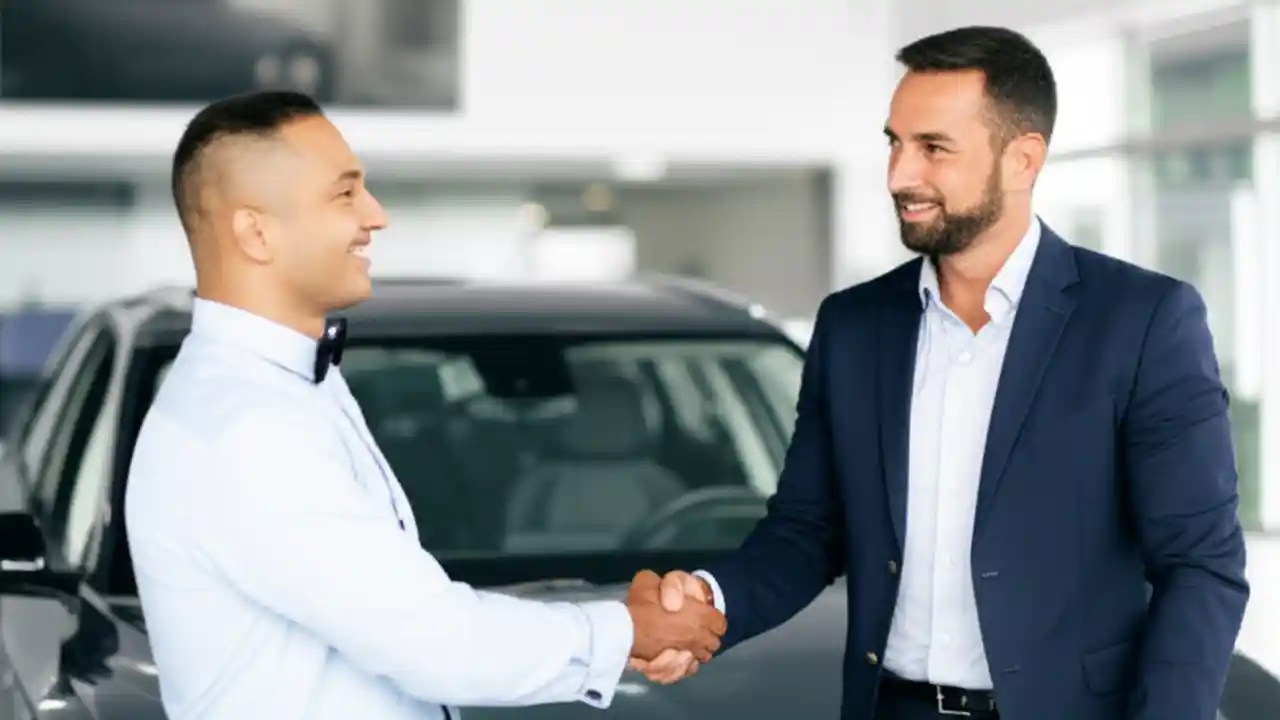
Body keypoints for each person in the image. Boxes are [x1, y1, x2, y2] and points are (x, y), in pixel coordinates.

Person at [630, 25, 1250, 720]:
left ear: (1022, 159)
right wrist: (709, 603)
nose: (899, 174)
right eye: (895, 142)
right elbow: (808, 530)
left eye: (933, 148)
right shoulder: (853, 326)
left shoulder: (1142, 322)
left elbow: (1199, 567)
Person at [123, 90, 726, 720]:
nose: (375, 215)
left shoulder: (283, 387)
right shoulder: (244, 429)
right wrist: (629, 630)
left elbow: (393, 607)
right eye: (345, 193)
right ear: (256, 232)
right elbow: (437, 643)